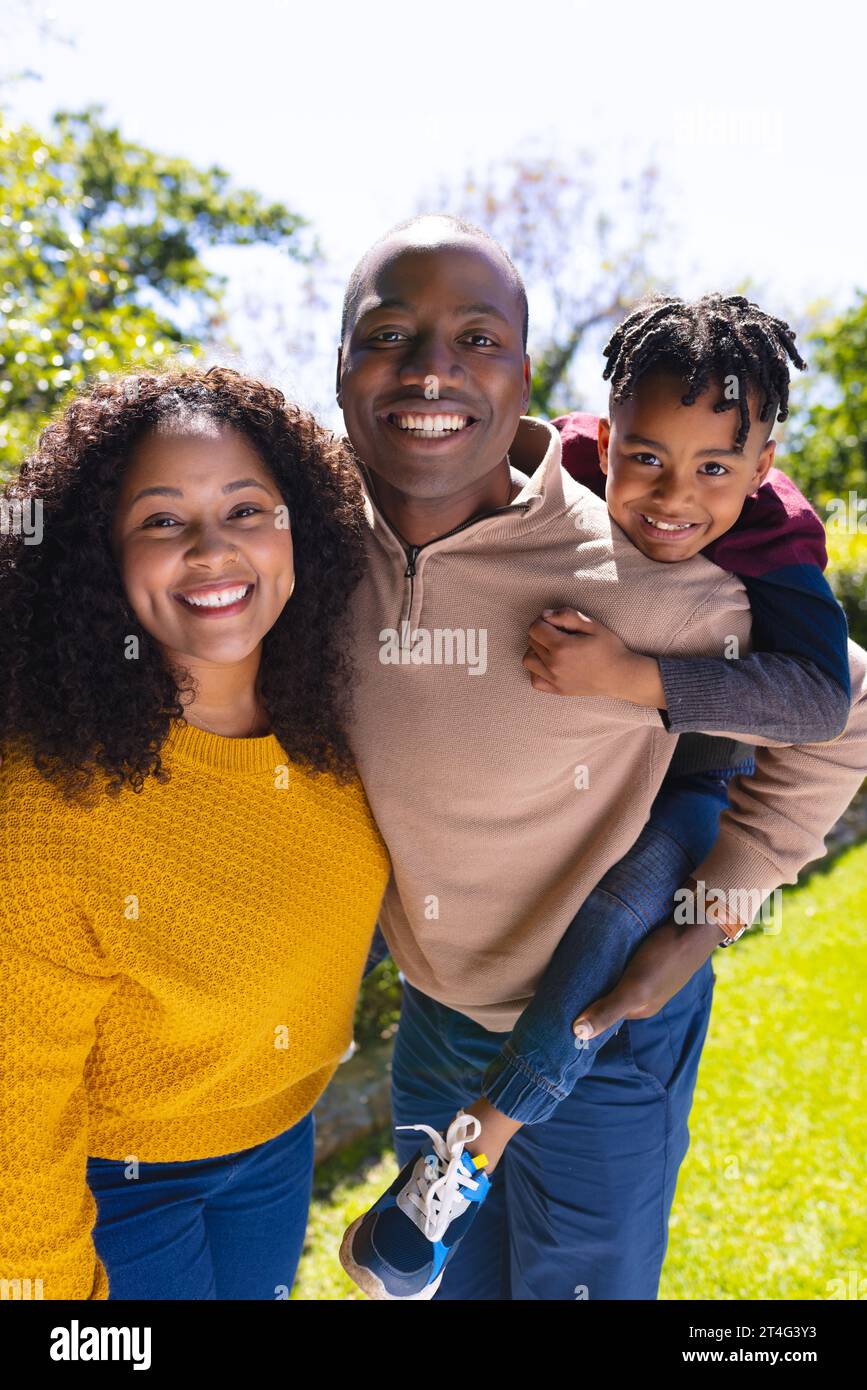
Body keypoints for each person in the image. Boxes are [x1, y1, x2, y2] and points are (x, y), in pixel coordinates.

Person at [334, 215, 867, 1299]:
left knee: (625, 910)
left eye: (715, 468)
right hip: (438, 1007)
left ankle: (495, 1123)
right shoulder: (318, 531)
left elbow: (836, 704)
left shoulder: (724, 555)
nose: (674, 498)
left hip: (638, 958)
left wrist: (705, 922)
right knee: (442, 1278)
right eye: (646, 459)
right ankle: (463, 1157)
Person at [0, 366, 390, 1300]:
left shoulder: (339, 723)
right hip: (115, 1185)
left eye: (246, 510)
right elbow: (16, 1098)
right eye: (162, 520)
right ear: (100, 556)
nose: (213, 550)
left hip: (279, 1142)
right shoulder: (43, 804)